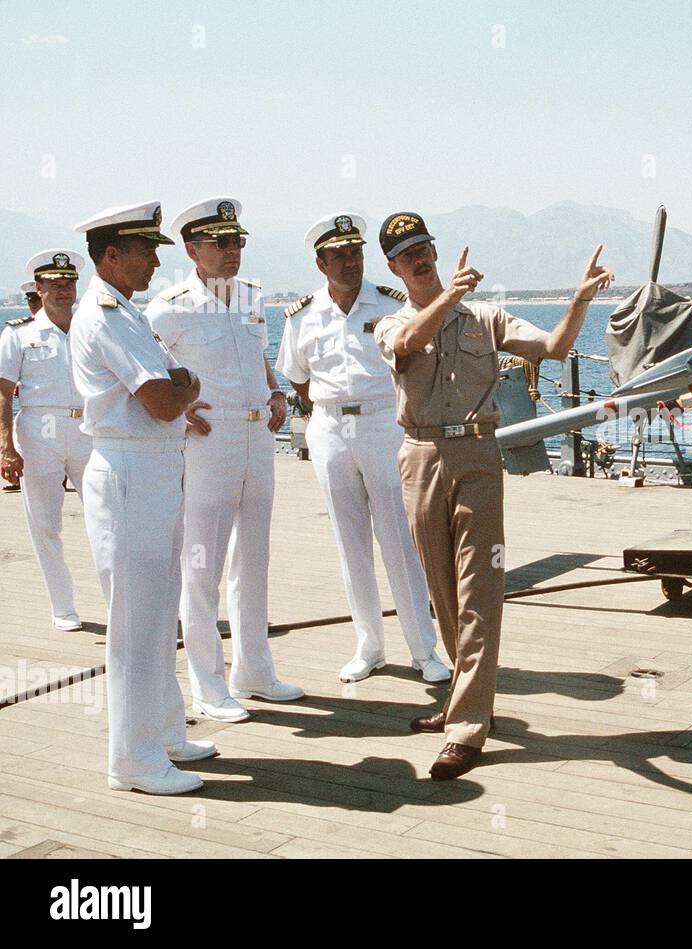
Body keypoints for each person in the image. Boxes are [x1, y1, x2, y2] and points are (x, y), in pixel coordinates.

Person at [374, 211, 613, 779]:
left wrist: (578, 300)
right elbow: (410, 341)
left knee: (480, 586)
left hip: (478, 457)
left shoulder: (485, 317)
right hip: (420, 456)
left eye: (425, 247)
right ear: (394, 269)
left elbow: (553, 348)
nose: (420, 258)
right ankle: (466, 699)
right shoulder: (389, 324)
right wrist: (446, 298)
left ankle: (467, 726)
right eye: (408, 255)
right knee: (443, 590)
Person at [70, 201, 215, 795]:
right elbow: (163, 399)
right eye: (147, 248)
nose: (158, 259)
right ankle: (132, 759)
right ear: (112, 255)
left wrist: (181, 387)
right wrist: (181, 388)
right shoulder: (105, 314)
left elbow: (183, 381)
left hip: (156, 467)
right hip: (129, 470)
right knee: (135, 622)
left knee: (161, 611)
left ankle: (162, 730)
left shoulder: (128, 312)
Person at [145, 197, 303, 723]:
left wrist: (276, 390)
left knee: (253, 558)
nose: (233, 250)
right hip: (208, 441)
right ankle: (208, 683)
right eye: (221, 242)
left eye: (238, 241)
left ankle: (254, 670)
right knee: (202, 564)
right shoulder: (170, 306)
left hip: (258, 436)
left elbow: (254, 354)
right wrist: (176, 412)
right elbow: (139, 366)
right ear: (192, 249)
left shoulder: (251, 298)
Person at [275, 212, 450, 684]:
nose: (350, 262)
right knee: (349, 542)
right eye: (339, 255)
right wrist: (330, 411)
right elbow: (296, 375)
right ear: (320, 262)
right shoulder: (302, 315)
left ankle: (423, 650)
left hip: (382, 422)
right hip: (329, 425)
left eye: (355, 253)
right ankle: (369, 645)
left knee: (399, 538)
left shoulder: (390, 304)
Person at [0, 250, 94, 629]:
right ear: (38, 289)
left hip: (90, 428)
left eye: (68, 282)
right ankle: (63, 607)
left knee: (109, 520)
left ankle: (122, 603)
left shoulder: (92, 326)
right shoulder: (19, 333)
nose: (63, 290)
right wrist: (5, 446)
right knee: (45, 523)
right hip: (41, 431)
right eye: (54, 283)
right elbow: (3, 391)